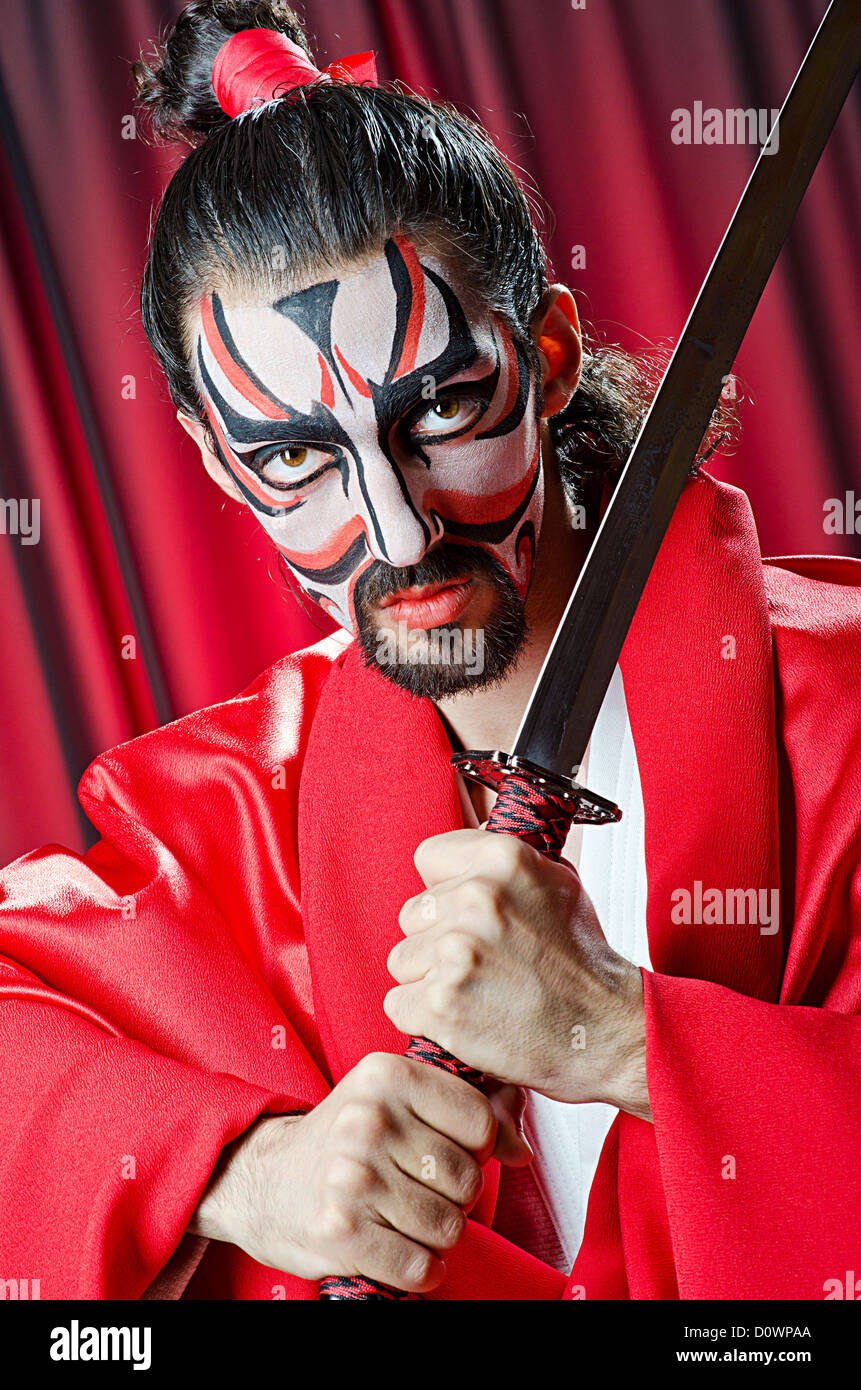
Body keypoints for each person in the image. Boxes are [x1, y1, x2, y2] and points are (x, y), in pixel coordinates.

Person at [1, 0, 859, 1302]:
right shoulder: (234, 810)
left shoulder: (840, 703)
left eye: (444, 408)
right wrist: (243, 1170)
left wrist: (622, 1035)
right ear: (212, 463)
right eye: (295, 457)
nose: (396, 530)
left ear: (551, 352)